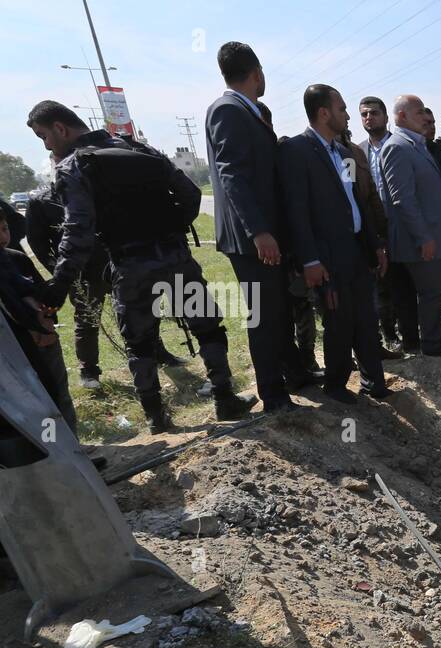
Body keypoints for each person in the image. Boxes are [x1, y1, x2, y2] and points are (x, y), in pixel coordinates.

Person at [29, 100, 253, 433]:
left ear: (60, 128)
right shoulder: (137, 148)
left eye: (44, 136)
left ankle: (156, 418)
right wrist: (169, 233)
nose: (47, 145)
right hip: (175, 257)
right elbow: (190, 194)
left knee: (140, 343)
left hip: (129, 266)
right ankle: (225, 399)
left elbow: (78, 231)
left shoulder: (73, 167)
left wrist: (59, 286)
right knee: (207, 327)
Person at [204, 41, 306, 413]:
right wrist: (259, 231)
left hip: (262, 235)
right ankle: (273, 395)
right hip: (251, 240)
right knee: (265, 314)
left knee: (277, 309)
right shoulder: (229, 110)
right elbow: (232, 174)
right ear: (256, 72)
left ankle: (293, 375)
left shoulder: (246, 111)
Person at [279, 85, 391, 405]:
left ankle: (373, 381)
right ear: (324, 112)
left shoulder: (344, 152)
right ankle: (336, 383)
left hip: (356, 250)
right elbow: (296, 211)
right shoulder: (296, 151)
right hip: (327, 256)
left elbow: (357, 202)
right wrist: (310, 259)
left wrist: (376, 246)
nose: (347, 115)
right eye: (342, 109)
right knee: (338, 321)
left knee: (366, 319)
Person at [23, 184, 183, 390]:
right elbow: (38, 242)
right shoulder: (41, 201)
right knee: (87, 320)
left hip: (116, 263)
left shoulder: (95, 186)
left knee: (138, 312)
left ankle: (158, 353)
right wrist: (61, 271)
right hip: (81, 271)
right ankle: (89, 370)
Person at [379, 94, 441, 357]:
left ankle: (437, 339)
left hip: (436, 234)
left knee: (436, 292)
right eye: (419, 113)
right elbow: (402, 199)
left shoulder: (417, 144)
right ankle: (432, 345)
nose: (426, 118)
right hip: (422, 240)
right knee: (431, 293)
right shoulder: (397, 147)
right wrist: (423, 237)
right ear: (402, 116)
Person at [0, 214, 77, 433]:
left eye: (5, 229)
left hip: (43, 341)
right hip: (16, 350)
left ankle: (73, 444)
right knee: (35, 402)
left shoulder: (17, 259)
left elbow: (44, 297)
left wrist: (48, 321)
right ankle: (53, 446)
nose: (2, 237)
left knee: (58, 393)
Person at [356, 95, 407, 358]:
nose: (369, 118)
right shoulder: (357, 152)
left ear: (386, 117)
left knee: (406, 281)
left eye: (374, 113)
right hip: (376, 228)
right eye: (364, 114)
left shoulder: (401, 145)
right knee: (382, 284)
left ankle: (410, 332)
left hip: (404, 224)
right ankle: (389, 336)